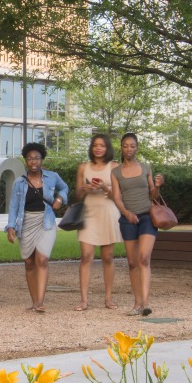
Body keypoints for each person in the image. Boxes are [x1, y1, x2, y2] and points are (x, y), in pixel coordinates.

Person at [6, 142, 68, 313]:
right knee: (29, 262)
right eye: (29, 159)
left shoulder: (52, 176)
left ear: (42, 159)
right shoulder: (19, 182)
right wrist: (11, 226)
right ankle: (34, 302)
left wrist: (60, 199)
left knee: (42, 260)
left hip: (46, 221)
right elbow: (13, 206)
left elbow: (64, 188)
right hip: (25, 223)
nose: (33, 162)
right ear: (26, 161)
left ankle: (40, 302)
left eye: (36, 158)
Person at [110, 132, 164, 316]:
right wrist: (126, 213)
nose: (129, 149)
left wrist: (157, 186)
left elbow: (153, 195)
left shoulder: (146, 168)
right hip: (128, 219)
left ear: (137, 147)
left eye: (132, 146)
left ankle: (146, 303)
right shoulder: (115, 172)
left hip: (147, 217)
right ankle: (137, 303)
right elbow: (116, 198)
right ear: (121, 148)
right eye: (125, 146)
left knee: (144, 258)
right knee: (133, 262)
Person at [74, 133, 122, 311]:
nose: (98, 148)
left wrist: (103, 188)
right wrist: (85, 189)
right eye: (95, 145)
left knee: (108, 257)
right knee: (86, 256)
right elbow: (77, 195)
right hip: (88, 213)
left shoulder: (115, 167)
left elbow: (117, 196)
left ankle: (108, 298)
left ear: (107, 148)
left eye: (102, 145)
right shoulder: (83, 167)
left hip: (108, 213)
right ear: (91, 148)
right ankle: (84, 300)